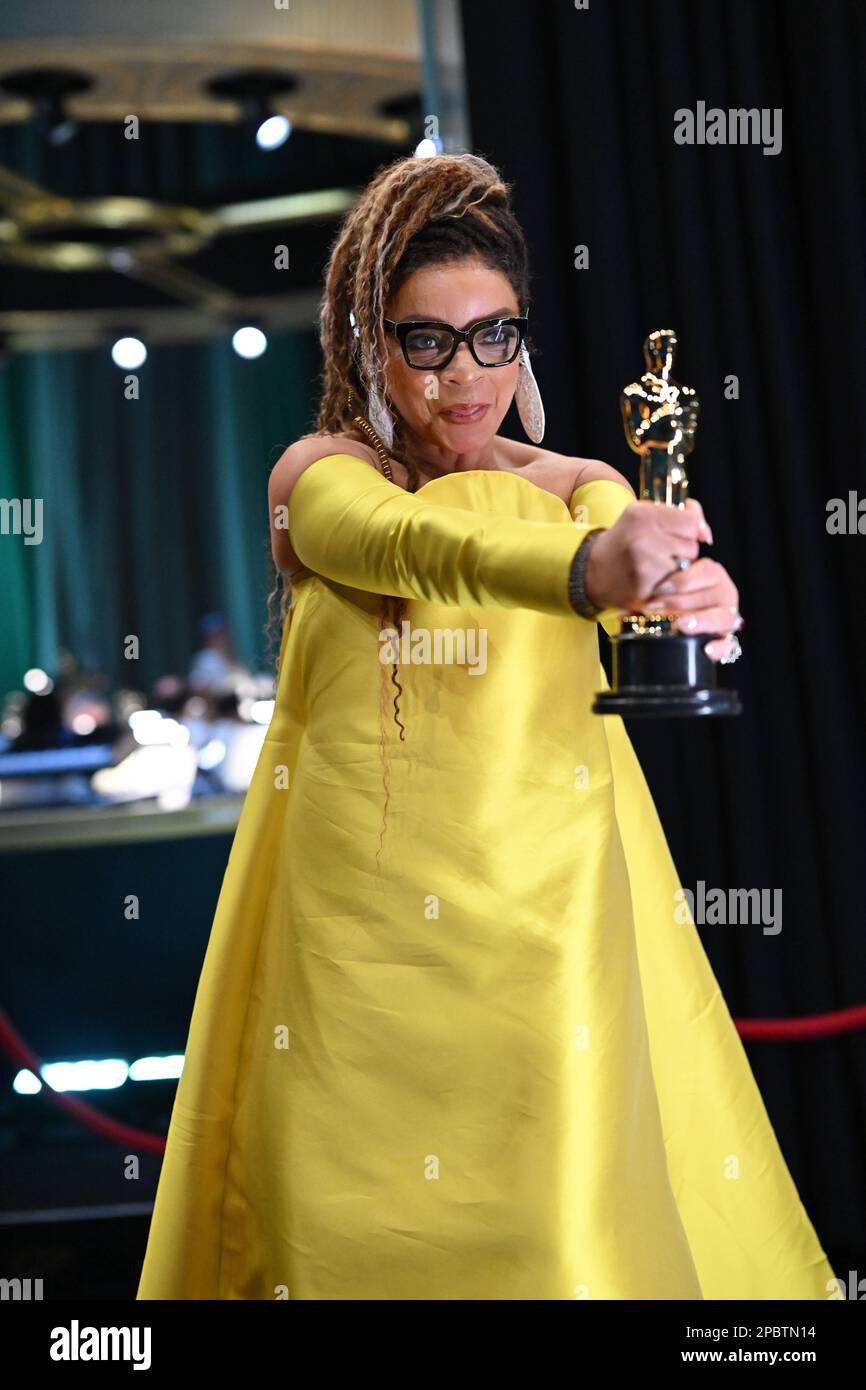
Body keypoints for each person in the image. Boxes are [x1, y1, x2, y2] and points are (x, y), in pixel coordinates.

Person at [137, 152, 834, 1300]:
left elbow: (632, 570)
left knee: (563, 1249)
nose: (466, 376)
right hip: (357, 954)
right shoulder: (320, 477)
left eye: (494, 336)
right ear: (368, 345)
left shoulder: (579, 483)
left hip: (547, 938)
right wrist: (586, 567)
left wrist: (686, 599)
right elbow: (416, 548)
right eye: (426, 342)